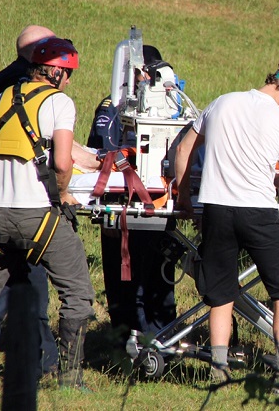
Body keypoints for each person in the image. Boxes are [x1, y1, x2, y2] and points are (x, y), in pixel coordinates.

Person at [174, 60, 279, 382]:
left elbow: (183, 150)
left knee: (221, 295)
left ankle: (219, 370)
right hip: (258, 213)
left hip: (216, 209)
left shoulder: (221, 102)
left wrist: (184, 198)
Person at [0, 37, 95, 388]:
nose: (70, 80)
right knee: (78, 292)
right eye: (68, 73)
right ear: (55, 71)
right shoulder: (59, 101)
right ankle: (70, 378)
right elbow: (61, 160)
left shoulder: (1, 98)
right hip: (36, 215)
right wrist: (63, 193)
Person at [0, 25, 58, 379]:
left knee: (4, 282)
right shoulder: (19, 88)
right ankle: (46, 362)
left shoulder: (4, 83)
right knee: (27, 280)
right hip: (19, 203)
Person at [86, 45, 177, 341]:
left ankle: (160, 335)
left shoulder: (169, 107)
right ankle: (127, 337)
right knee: (122, 277)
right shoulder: (111, 107)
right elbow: (100, 149)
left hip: (155, 204)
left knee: (157, 279)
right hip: (122, 204)